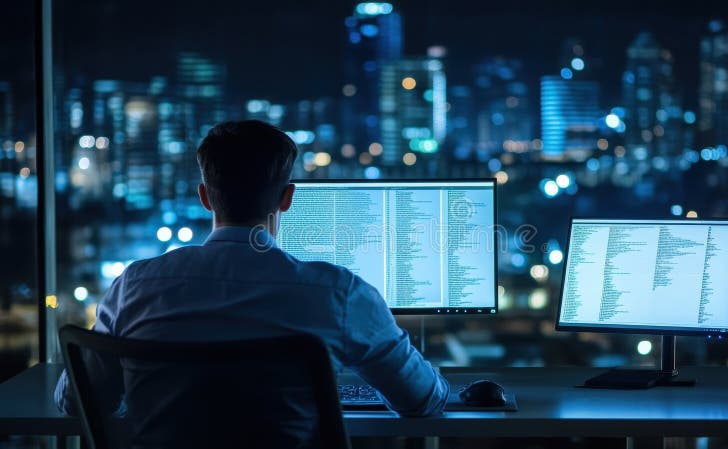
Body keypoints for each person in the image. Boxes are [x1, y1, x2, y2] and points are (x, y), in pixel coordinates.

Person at [53, 120, 449, 443]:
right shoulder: (338, 294)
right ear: (287, 198)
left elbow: (77, 400)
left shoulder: (135, 285)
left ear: (205, 197)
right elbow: (422, 400)